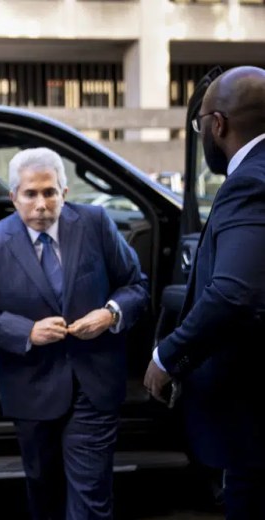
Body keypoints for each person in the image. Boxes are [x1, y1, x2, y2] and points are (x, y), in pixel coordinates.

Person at [0, 147, 149, 520]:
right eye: (30, 194)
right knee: (44, 490)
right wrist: (27, 331)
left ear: (65, 193)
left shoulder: (95, 223)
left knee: (90, 495)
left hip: (93, 383)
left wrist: (110, 314)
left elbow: (135, 286)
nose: (41, 204)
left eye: (50, 192)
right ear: (13, 198)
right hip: (31, 387)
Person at [144, 66, 265, 520]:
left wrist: (167, 356)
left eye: (200, 127)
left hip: (252, 418)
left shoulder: (249, 183)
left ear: (217, 125)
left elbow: (234, 293)